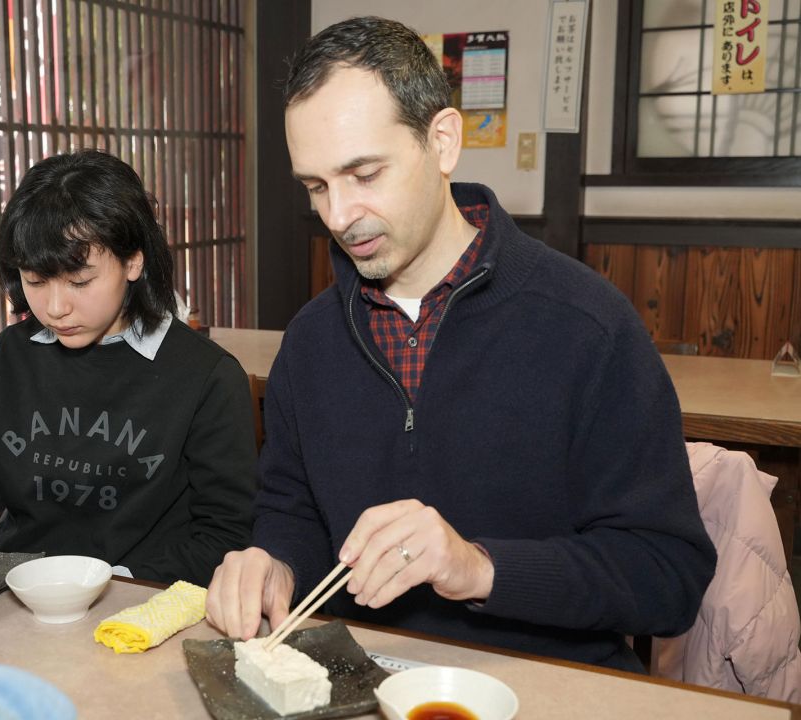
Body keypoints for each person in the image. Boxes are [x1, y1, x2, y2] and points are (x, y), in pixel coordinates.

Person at [206, 16, 716, 672]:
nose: (338, 216)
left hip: (553, 684)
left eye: (364, 174)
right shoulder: (311, 342)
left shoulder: (587, 328)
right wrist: (272, 567)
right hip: (364, 678)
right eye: (316, 187)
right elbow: (291, 513)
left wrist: (478, 567)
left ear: (443, 141)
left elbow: (668, 576)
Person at [0, 150, 257, 586]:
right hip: (14, 599)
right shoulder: (16, 354)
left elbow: (225, 535)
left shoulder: (205, 376)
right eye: (36, 281)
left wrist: (105, 588)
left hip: (137, 602)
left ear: (133, 260)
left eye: (80, 281)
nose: (55, 308)